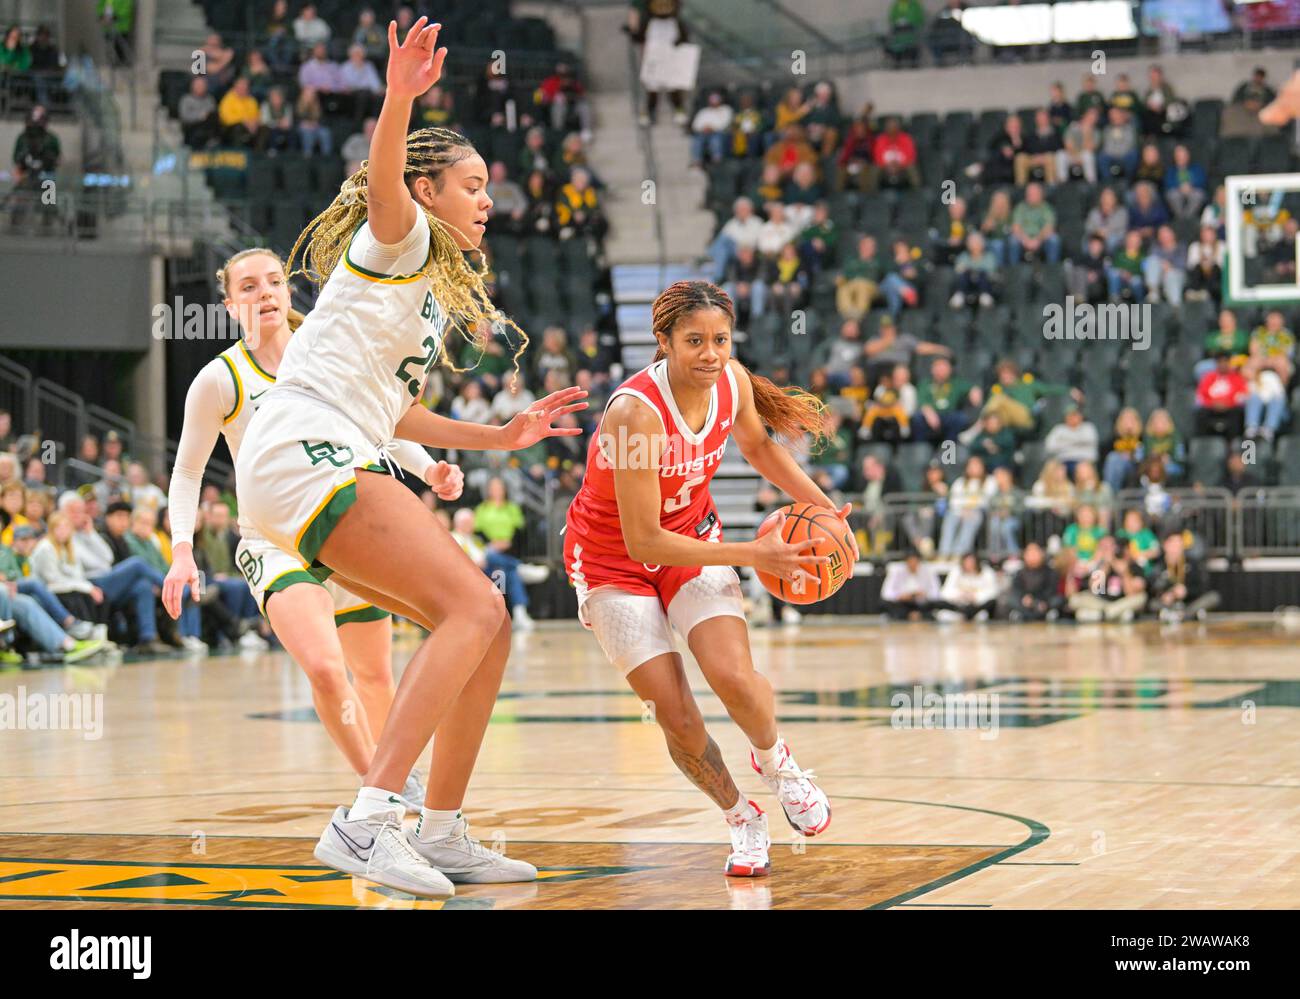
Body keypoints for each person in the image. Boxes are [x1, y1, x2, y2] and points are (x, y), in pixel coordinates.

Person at [235, 18, 583, 897]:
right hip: (304, 446)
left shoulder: (425, 290)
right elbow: (386, 176)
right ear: (427, 191)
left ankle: (445, 829)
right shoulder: (402, 234)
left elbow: (402, 410)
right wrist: (398, 98)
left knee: (485, 622)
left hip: (317, 455)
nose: (485, 201)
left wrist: (500, 436)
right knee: (471, 607)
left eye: (487, 189)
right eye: (471, 185)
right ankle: (365, 821)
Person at [564, 279, 858, 877]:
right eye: (694, 340)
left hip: (692, 540)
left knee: (735, 679)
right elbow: (643, 539)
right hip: (611, 562)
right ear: (664, 342)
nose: (711, 354)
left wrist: (827, 511)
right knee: (676, 717)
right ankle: (740, 817)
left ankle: (776, 763)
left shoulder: (732, 381)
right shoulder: (634, 414)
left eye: (721, 339)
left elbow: (760, 448)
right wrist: (756, 554)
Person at [164, 247, 449, 803]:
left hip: (341, 522)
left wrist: (428, 467)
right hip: (273, 541)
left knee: (374, 675)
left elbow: (379, 421)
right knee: (323, 667)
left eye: (273, 281)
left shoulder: (321, 359)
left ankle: (403, 788)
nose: (265, 293)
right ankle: (378, 793)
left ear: (288, 293)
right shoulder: (219, 380)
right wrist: (181, 550)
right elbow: (187, 470)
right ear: (229, 306)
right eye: (249, 287)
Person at [1150, 530, 1220, 623]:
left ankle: (1179, 615)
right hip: (1169, 604)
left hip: (1189, 602)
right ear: (1165, 545)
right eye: (1173, 544)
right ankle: (1187, 615)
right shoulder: (1158, 565)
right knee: (1153, 604)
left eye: (1179, 544)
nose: (1176, 547)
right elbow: (1152, 587)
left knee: (1213, 597)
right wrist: (1167, 594)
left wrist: (1186, 591)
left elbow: (1201, 587)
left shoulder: (1191, 563)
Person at [1006, 542, 1061, 622]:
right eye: (1030, 553)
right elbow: (1016, 589)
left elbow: (1051, 589)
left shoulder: (1050, 572)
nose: (1032, 556)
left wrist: (1041, 600)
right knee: (1010, 599)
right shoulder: (1020, 573)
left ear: (1041, 554)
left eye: (1035, 553)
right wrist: (1024, 597)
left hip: (1043, 602)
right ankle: (1025, 614)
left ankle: (1045, 614)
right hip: (1026, 603)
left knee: (1057, 600)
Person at [936, 553, 1000, 621]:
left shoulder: (987, 572)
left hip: (977, 608)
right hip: (958, 607)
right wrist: (960, 594)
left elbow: (993, 592)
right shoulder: (956, 571)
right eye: (967, 562)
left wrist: (975, 596)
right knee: (943, 615)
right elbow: (944, 592)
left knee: (982, 616)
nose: (969, 564)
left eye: (972, 562)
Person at [880, 551, 941, 620]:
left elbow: (936, 593)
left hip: (922, 604)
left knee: (938, 604)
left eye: (915, 562)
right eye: (910, 562)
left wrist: (925, 594)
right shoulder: (896, 571)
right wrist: (900, 596)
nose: (913, 564)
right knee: (885, 604)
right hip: (903, 604)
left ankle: (918, 615)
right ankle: (911, 615)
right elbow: (886, 593)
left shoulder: (929, 571)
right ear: (906, 562)